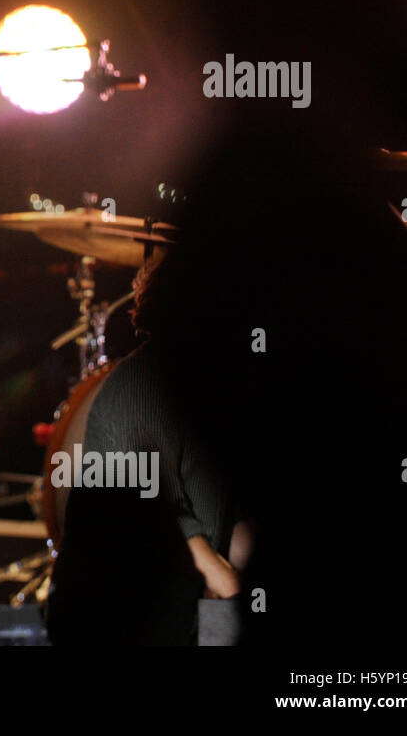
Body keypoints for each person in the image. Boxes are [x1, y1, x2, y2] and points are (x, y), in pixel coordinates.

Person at [45, 250, 251, 645]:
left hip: (187, 606)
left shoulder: (203, 396)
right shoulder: (140, 386)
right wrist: (234, 590)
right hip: (132, 620)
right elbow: (174, 526)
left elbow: (225, 522)